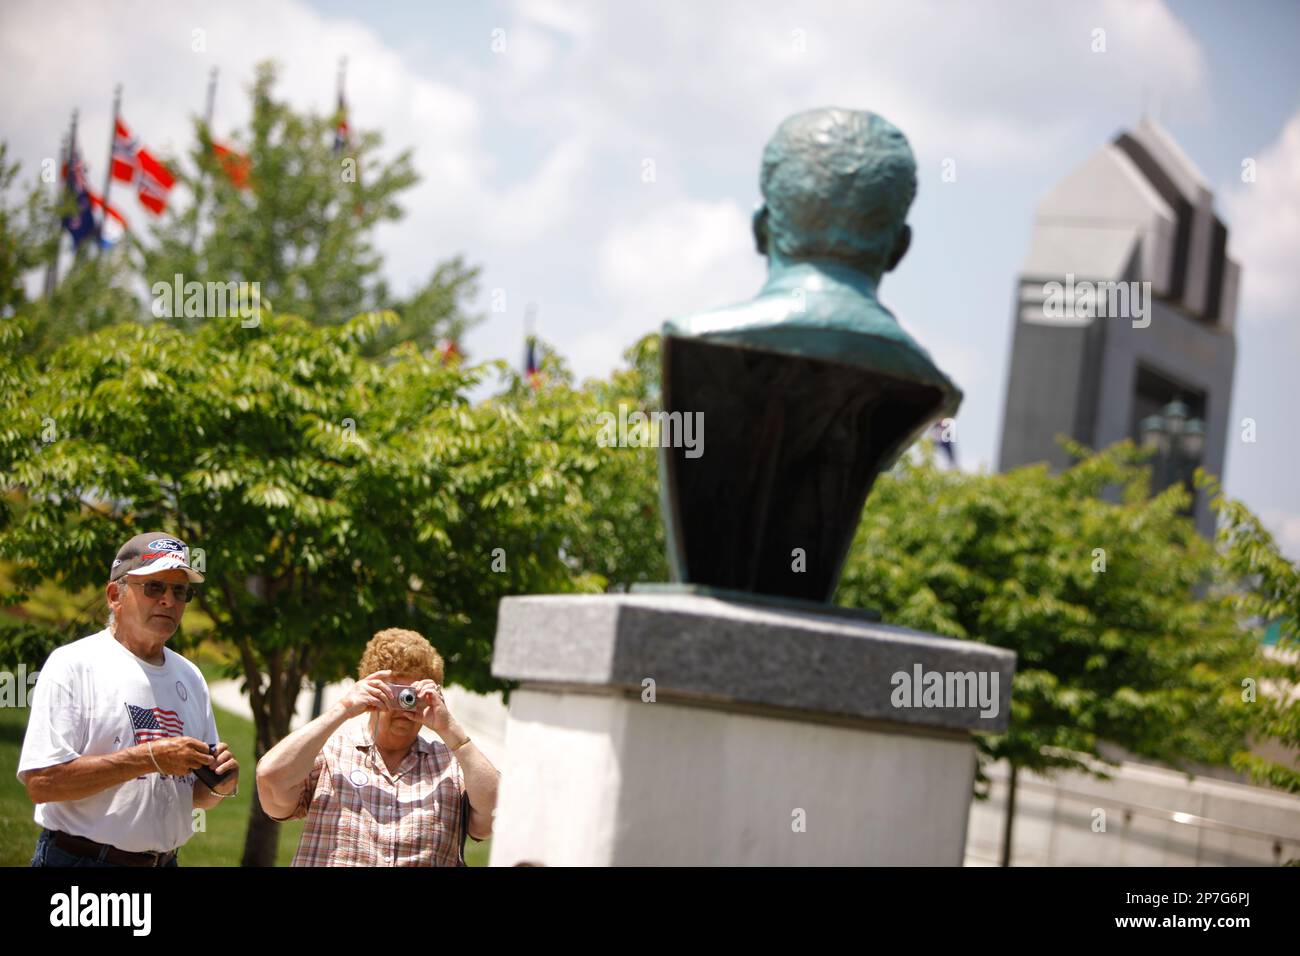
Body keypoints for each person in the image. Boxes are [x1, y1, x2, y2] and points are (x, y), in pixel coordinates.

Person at [18, 532, 239, 867]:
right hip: (83, 861)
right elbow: (43, 783)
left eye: (180, 591)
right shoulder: (75, 665)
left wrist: (219, 783)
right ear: (113, 595)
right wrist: (150, 757)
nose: (169, 600)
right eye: (154, 587)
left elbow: (191, 794)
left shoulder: (190, 677)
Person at [256, 627, 500, 866]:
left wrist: (452, 731)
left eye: (413, 694)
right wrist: (343, 709)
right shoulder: (331, 753)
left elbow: (496, 812)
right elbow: (270, 779)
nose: (405, 704)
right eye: (396, 691)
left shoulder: (451, 767)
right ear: (371, 689)